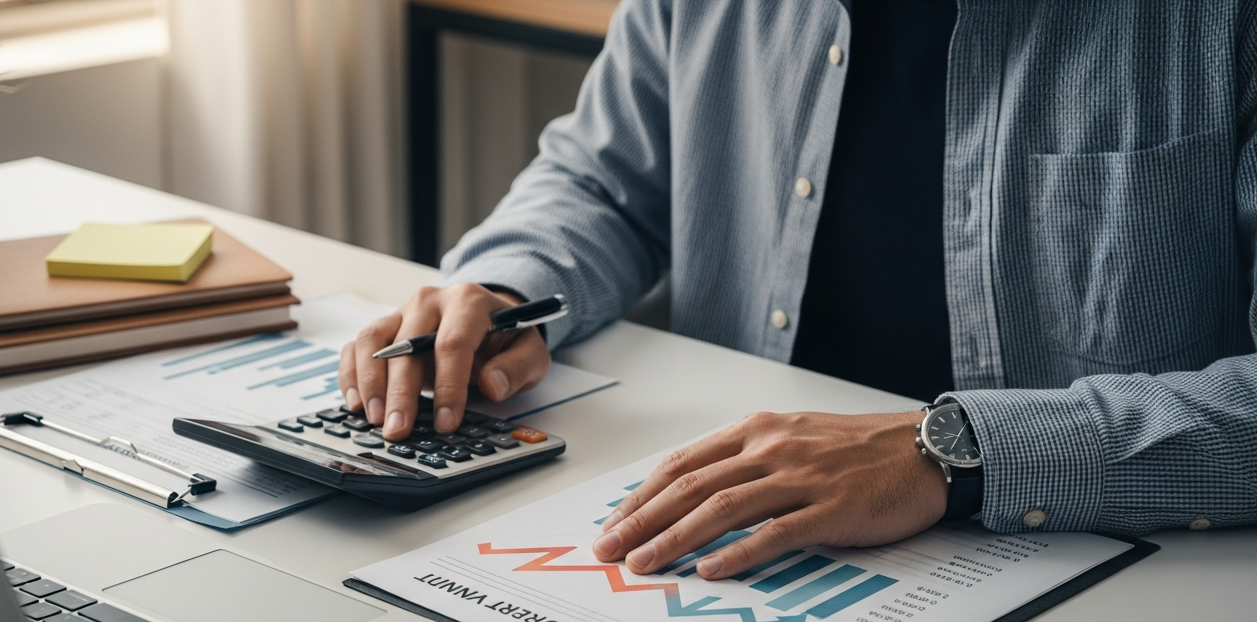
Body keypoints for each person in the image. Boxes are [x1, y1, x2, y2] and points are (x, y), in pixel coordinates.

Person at [340, 0, 1257, 581]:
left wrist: (957, 453)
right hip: (748, 539)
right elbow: (602, 180)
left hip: (1110, 571)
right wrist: (509, 285)